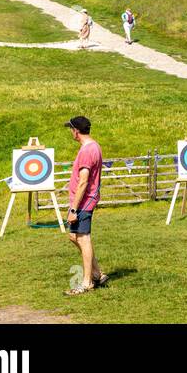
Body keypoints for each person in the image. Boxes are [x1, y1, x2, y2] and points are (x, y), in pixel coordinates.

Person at [64, 116, 107, 295]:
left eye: (71, 129)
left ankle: (87, 282)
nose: (70, 132)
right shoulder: (93, 146)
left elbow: (83, 181)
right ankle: (97, 273)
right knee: (74, 237)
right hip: (83, 201)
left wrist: (74, 209)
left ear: (76, 131)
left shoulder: (87, 151)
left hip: (83, 202)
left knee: (83, 238)